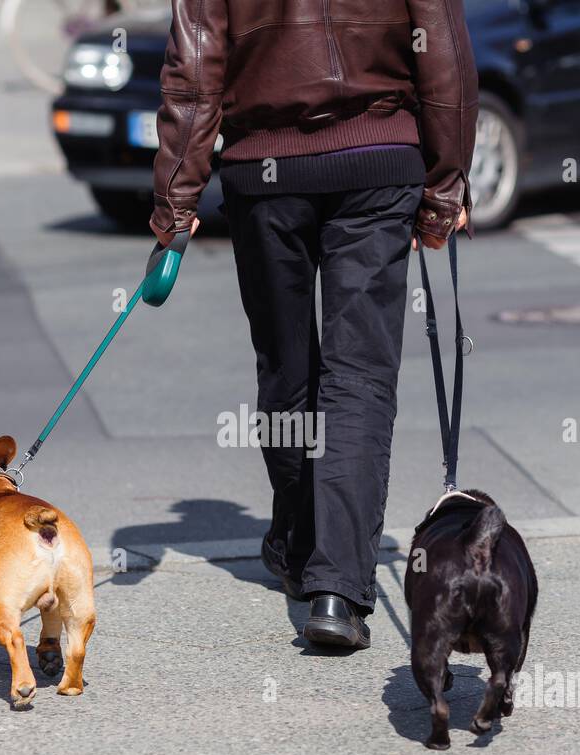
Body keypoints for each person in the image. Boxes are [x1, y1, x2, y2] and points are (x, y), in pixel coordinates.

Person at [150, 0, 475, 649]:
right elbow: (444, 51)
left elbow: (195, 69)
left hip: (265, 172)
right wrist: (444, 187)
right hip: (377, 160)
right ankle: (337, 589)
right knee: (358, 377)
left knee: (286, 365)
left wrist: (175, 202)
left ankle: (299, 548)